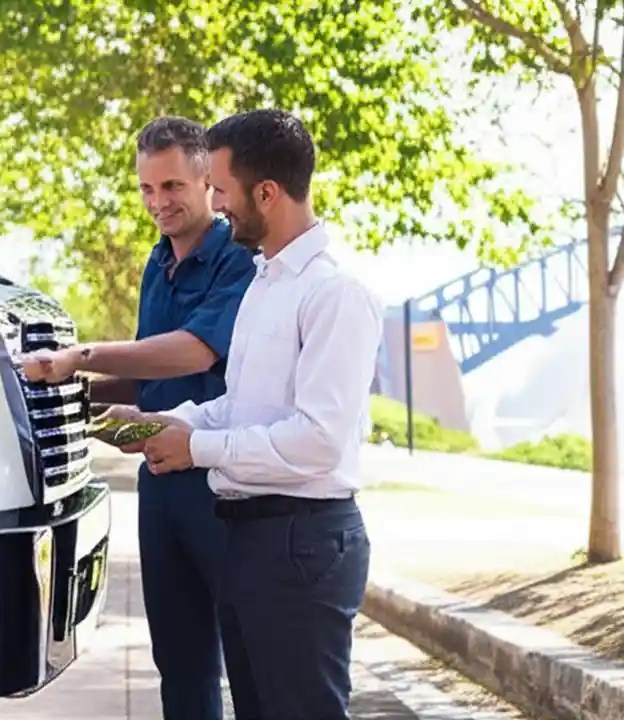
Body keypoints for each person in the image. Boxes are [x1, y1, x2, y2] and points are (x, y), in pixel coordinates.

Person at [138, 108, 383, 720]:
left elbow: (319, 442)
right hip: (251, 536)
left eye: (220, 188)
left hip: (304, 543)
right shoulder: (265, 285)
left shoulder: (335, 295)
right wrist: (180, 423)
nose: (217, 205)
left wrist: (198, 449)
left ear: (266, 193)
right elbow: (239, 405)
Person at [18, 115, 255, 719]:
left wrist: (81, 355)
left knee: (254, 667)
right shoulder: (158, 261)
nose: (158, 203)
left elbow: (195, 350)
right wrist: (62, 387)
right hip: (160, 488)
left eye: (172, 187)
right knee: (179, 665)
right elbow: (150, 375)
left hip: (221, 487)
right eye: (148, 189)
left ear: (208, 182)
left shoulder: (239, 260)